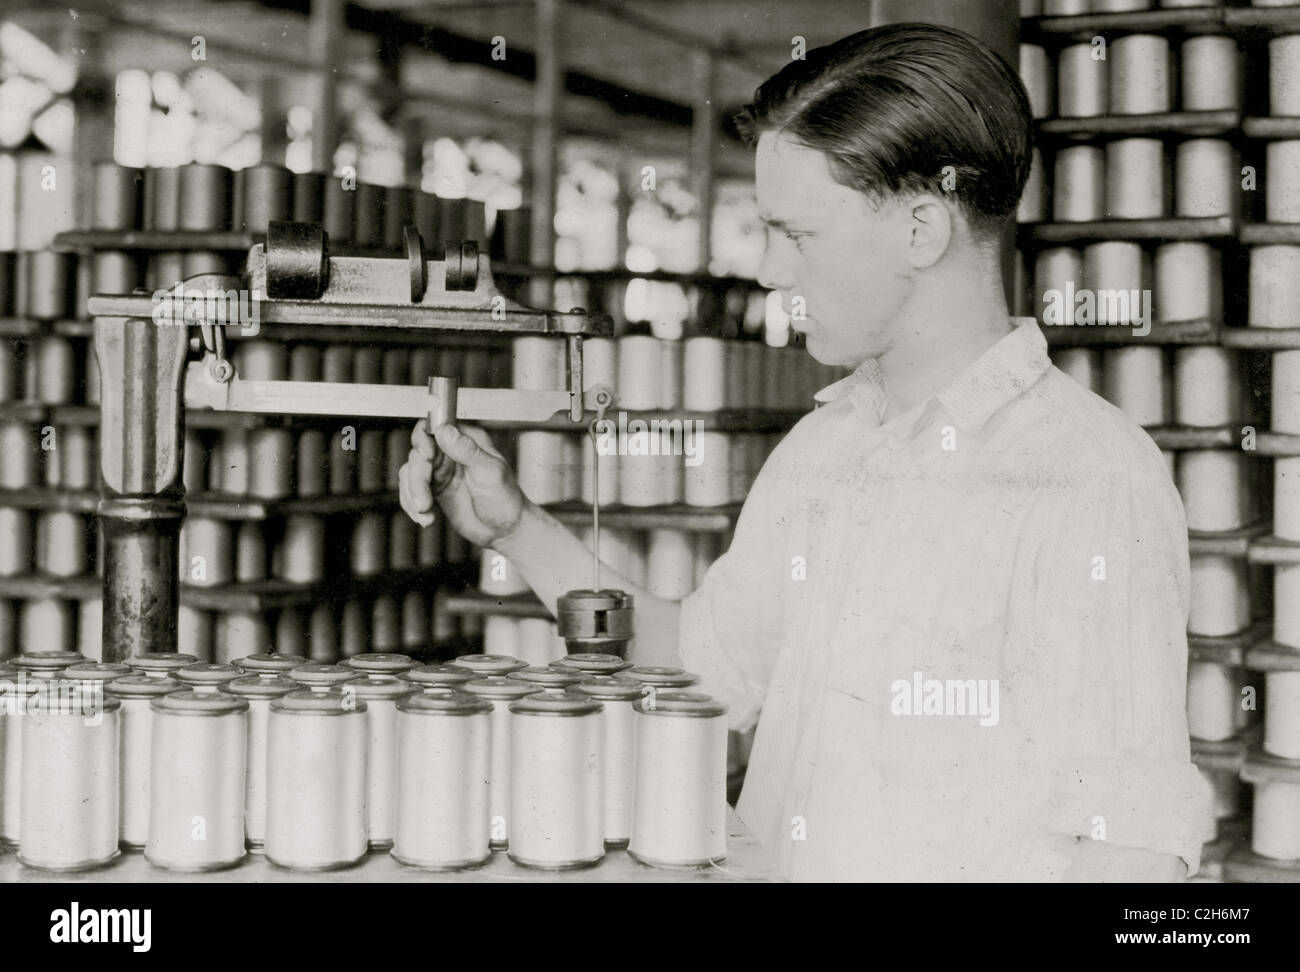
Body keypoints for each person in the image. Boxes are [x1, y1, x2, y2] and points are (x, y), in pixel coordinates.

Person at [399, 22, 1209, 882]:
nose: (774, 273)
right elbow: (698, 668)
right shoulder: (825, 446)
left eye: (800, 234)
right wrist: (518, 527)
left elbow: (1132, 858)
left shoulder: (1087, 478)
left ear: (921, 229)